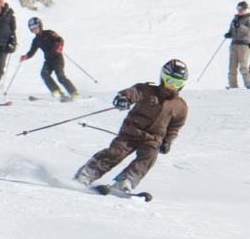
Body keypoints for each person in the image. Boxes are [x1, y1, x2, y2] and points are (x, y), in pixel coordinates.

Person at [74, 59, 190, 195]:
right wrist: (124, 98)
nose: (172, 86)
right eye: (170, 81)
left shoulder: (180, 106)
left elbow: (175, 126)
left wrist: (168, 140)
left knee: (149, 156)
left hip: (153, 139)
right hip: (131, 132)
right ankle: (88, 173)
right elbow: (133, 92)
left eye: (178, 84)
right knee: (116, 152)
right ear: (163, 77)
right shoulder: (147, 90)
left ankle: (126, 181)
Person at [21, 17, 79, 101]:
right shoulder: (35, 40)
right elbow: (32, 51)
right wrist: (25, 56)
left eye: (36, 26)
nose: (34, 29)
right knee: (44, 74)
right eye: (32, 28)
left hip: (57, 58)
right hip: (48, 60)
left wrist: (59, 46)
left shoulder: (49, 33)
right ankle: (57, 92)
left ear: (40, 25)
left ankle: (74, 93)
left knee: (60, 76)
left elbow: (60, 39)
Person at [225, 1, 250, 89]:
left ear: (245, 9)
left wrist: (240, 26)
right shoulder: (235, 19)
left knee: (243, 66)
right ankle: (233, 85)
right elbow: (231, 30)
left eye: (241, 9)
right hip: (234, 44)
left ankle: (248, 83)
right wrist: (229, 34)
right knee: (232, 66)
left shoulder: (249, 18)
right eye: (238, 8)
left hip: (243, 45)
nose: (240, 10)